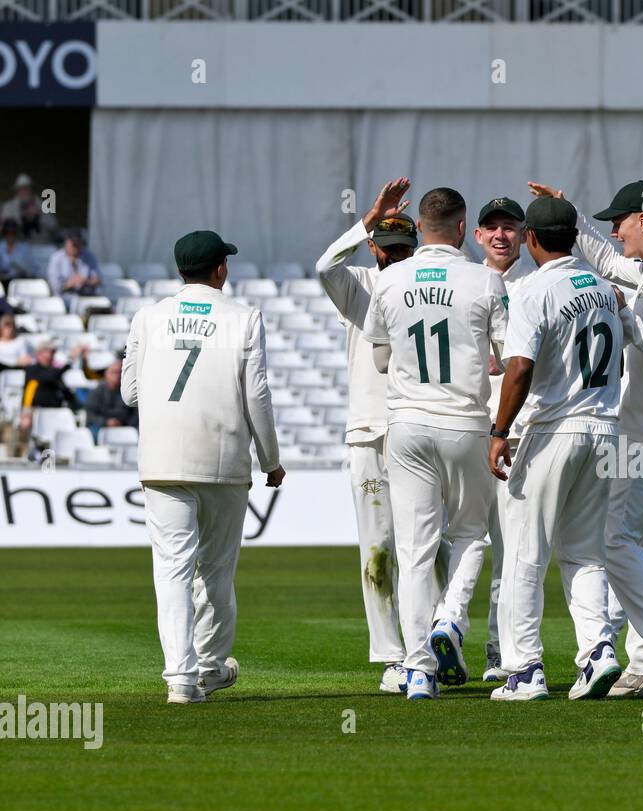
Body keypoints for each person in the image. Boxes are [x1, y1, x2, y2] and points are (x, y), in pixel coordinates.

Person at [528, 178, 643, 698]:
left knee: (611, 542)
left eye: (620, 221)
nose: (614, 230)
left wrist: (627, 318)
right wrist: (573, 214)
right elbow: (609, 264)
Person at [122, 229, 284, 705]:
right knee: (215, 570)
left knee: (171, 570)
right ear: (220, 269)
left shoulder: (148, 318)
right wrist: (270, 460)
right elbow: (257, 395)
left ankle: (181, 680)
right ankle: (210, 667)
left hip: (162, 459)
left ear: (179, 271)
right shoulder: (243, 318)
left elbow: (131, 393)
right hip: (222, 459)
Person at [362, 187, 506, 702]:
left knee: (415, 551)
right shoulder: (485, 278)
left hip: (406, 424)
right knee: (471, 535)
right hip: (465, 421)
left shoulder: (390, 279)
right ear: (464, 228)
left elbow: (380, 359)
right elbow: (510, 358)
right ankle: (450, 619)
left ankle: (418, 670)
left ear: (420, 228)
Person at [487, 196, 627, 702]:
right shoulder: (605, 291)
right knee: (586, 554)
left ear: (530, 238)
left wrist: (499, 430)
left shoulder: (533, 289)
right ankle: (598, 652)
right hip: (605, 429)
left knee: (525, 554)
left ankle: (524, 670)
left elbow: (519, 368)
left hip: (555, 429)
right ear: (573, 236)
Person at [316, 178, 417, 694]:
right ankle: (393, 657)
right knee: (378, 548)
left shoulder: (426, 282)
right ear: (375, 247)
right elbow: (323, 267)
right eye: (389, 247)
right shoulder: (359, 283)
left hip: (419, 426)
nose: (395, 256)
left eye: (404, 248)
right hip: (367, 433)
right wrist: (367, 217)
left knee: (429, 544)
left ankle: (431, 643)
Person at [474, 196, 534, 683]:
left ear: (523, 235)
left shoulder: (535, 286)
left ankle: (499, 651)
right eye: (491, 228)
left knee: (509, 546)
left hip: (513, 434)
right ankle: (431, 644)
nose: (500, 235)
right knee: (452, 545)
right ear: (476, 236)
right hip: (465, 430)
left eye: (509, 228)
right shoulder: (469, 285)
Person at [84, 358, 138, 436]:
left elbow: (135, 414)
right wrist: (106, 422)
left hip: (125, 425)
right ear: (106, 373)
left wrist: (122, 423)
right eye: (114, 372)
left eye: (120, 372)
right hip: (102, 427)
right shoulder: (96, 392)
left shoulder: (129, 392)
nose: (117, 375)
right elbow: (91, 415)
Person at [47, 229, 102, 305]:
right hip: (64, 298)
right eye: (73, 243)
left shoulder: (89, 256)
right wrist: (71, 283)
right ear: (66, 242)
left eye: (78, 243)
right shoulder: (56, 258)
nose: (76, 246)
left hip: (86, 296)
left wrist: (85, 281)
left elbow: (98, 280)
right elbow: (55, 287)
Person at [1, 174, 59, 244]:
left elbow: (54, 226)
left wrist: (40, 215)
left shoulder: (42, 204)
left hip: (42, 244)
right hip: (19, 245)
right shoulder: (8, 206)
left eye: (26, 188)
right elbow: (5, 228)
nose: (24, 191)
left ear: (31, 189)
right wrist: (23, 217)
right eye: (21, 189)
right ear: (17, 190)